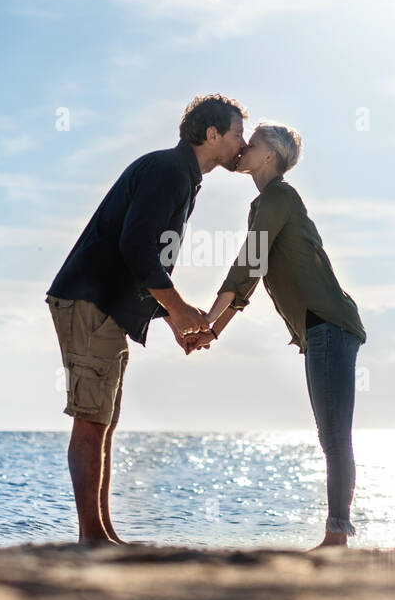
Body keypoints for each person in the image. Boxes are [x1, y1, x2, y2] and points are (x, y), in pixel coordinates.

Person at [46, 94, 247, 544]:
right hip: (90, 301)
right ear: (211, 134)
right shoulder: (168, 171)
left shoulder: (182, 177)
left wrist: (173, 318)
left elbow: (144, 261)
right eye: (236, 133)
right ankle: (91, 538)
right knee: (92, 420)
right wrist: (178, 309)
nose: (242, 142)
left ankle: (102, 533)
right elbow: (136, 250)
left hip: (107, 307)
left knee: (104, 420)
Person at [199, 120, 366, 549]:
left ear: (270, 155)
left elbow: (246, 264)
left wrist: (206, 324)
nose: (243, 149)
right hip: (322, 330)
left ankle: (337, 537)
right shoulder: (267, 203)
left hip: (329, 326)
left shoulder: (278, 197)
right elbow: (252, 276)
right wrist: (212, 330)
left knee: (334, 436)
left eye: (250, 144)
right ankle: (337, 535)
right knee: (331, 435)